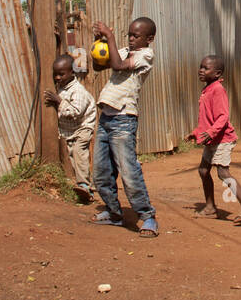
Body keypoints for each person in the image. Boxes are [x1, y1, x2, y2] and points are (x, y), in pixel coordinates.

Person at [90, 17, 159, 237]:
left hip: (123, 119)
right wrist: (99, 41)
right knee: (101, 173)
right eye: (129, 34)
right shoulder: (122, 49)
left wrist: (109, 37)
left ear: (149, 39)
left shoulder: (145, 55)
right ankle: (114, 213)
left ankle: (147, 216)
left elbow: (118, 65)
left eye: (135, 36)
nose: (130, 39)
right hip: (106, 118)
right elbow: (98, 65)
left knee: (128, 171)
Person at [187, 56, 241, 225]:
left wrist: (211, 132)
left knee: (223, 173)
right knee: (203, 171)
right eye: (200, 67)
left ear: (217, 73)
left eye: (206, 68)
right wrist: (197, 132)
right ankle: (210, 208)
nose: (201, 70)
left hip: (222, 139)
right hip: (212, 139)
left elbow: (223, 116)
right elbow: (207, 117)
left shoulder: (217, 89)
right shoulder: (207, 89)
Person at [43, 54, 96, 200]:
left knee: (79, 153)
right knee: (71, 157)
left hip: (82, 127)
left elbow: (75, 112)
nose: (58, 78)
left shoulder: (77, 91)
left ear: (72, 73)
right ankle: (83, 184)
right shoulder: (60, 87)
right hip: (69, 131)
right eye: (56, 74)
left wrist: (59, 101)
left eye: (61, 74)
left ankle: (85, 186)